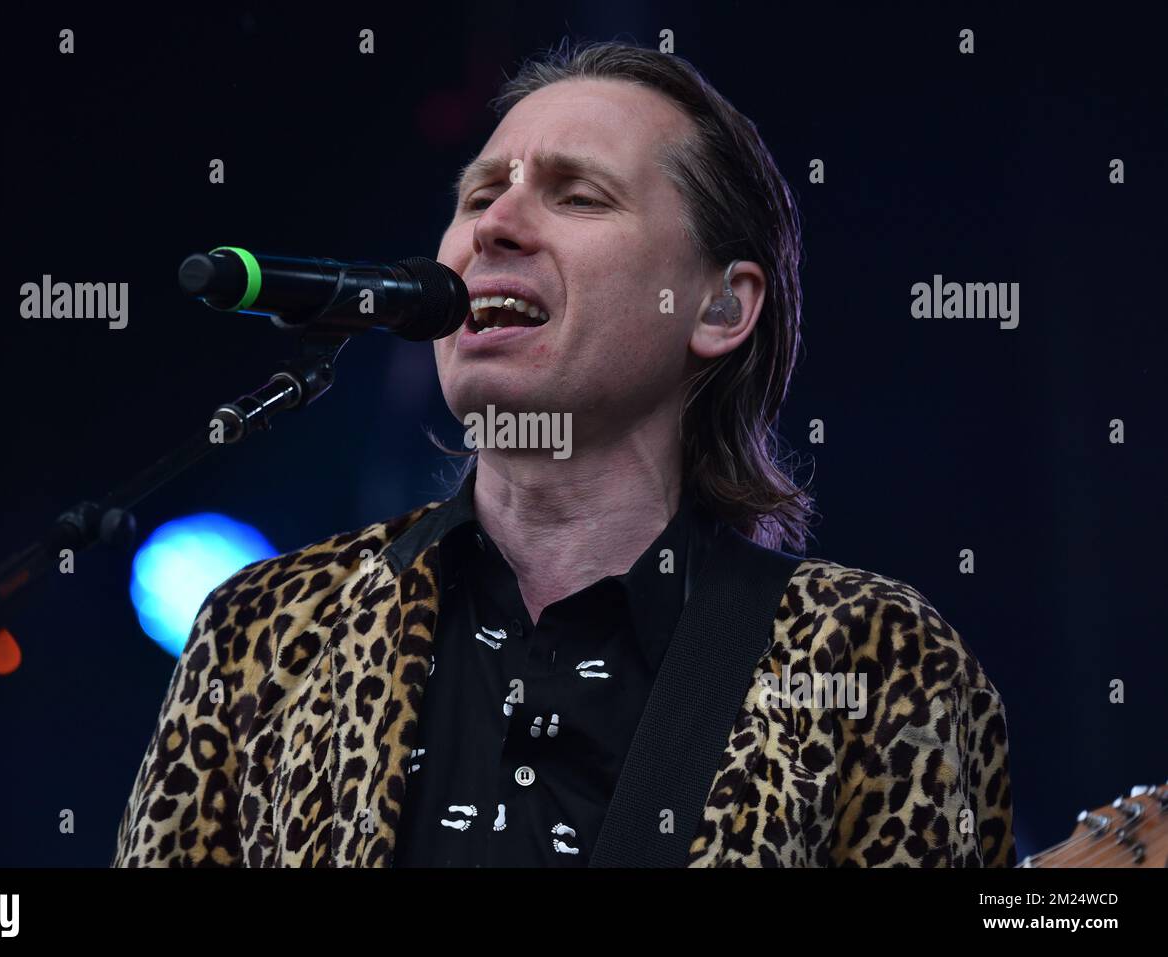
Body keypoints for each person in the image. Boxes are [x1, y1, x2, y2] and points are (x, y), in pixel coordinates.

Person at [112, 40, 1014, 868]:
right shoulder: (263, 633)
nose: (492, 227)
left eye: (577, 195)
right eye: (476, 196)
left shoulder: (870, 657)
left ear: (719, 308)